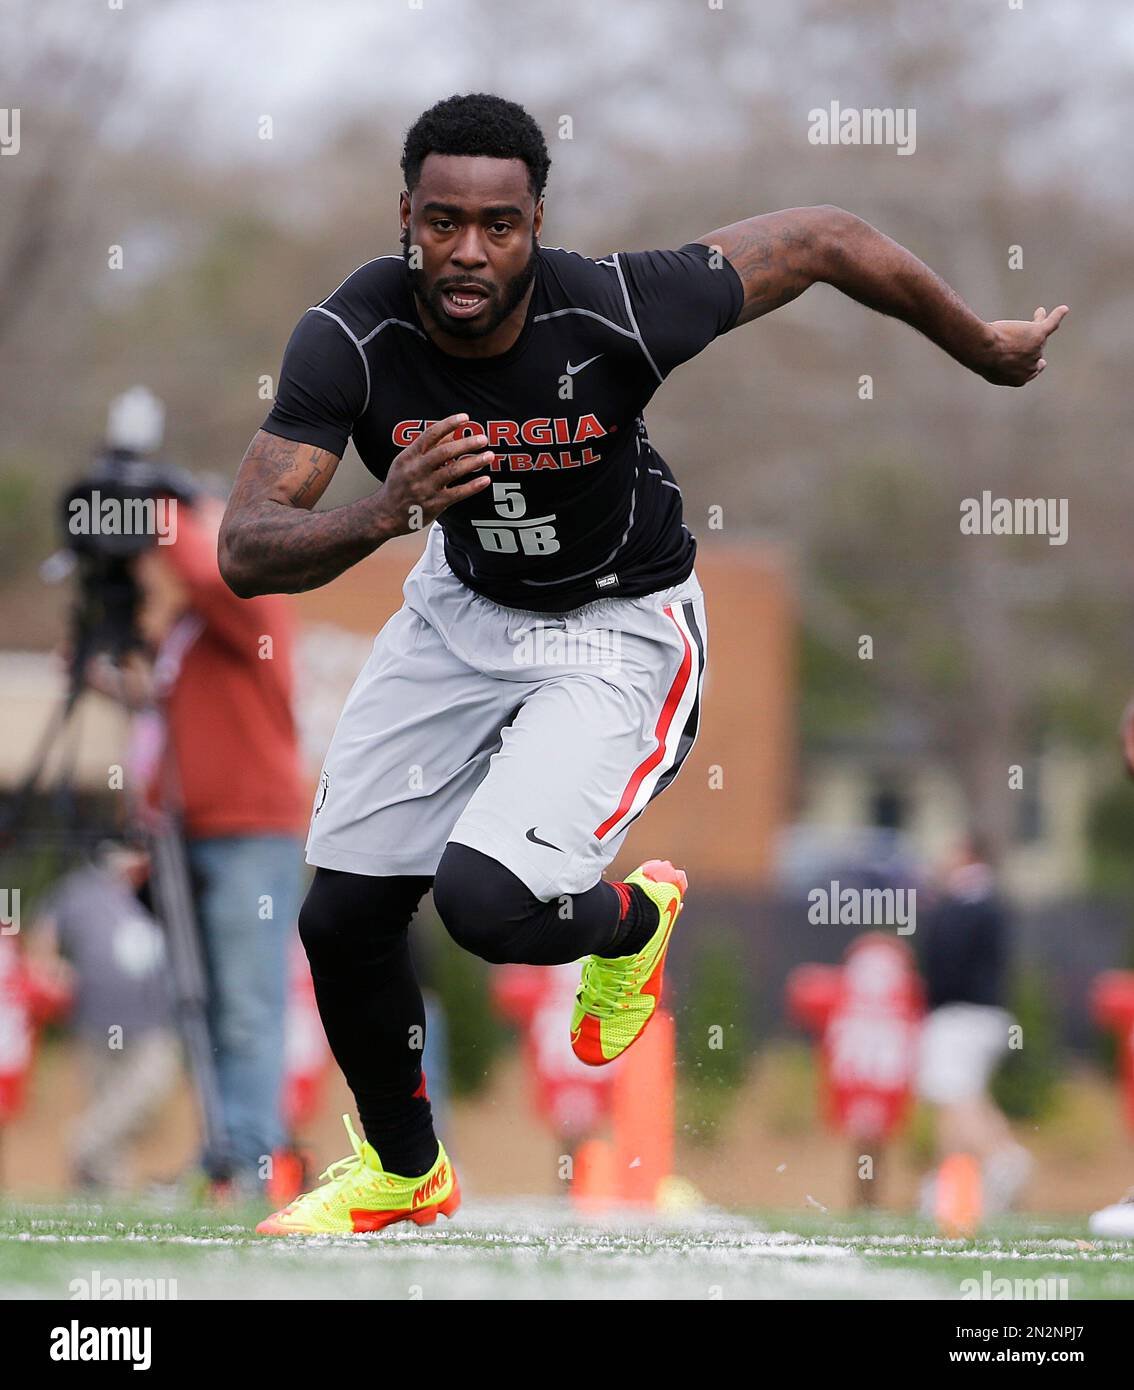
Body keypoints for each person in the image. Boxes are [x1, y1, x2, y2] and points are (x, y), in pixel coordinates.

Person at [217, 93, 1066, 1235]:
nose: (468, 250)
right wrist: (384, 514)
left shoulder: (619, 307)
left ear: (535, 224)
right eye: (442, 221)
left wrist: (984, 344)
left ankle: (629, 926)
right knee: (341, 919)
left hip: (614, 626)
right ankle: (406, 1170)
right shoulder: (351, 337)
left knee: (485, 903)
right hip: (458, 608)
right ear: (404, 217)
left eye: (498, 225)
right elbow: (244, 549)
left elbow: (821, 238)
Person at [133, 495, 307, 1191]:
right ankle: (224, 1149)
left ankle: (251, 1157)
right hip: (193, 833)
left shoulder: (249, 598)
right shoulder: (193, 627)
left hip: (248, 833)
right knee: (201, 1003)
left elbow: (211, 574)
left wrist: (158, 511)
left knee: (246, 1000)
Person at [29, 844, 180, 1190]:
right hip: (95, 1023)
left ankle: (85, 1140)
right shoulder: (80, 890)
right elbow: (45, 932)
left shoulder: (163, 884)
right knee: (106, 1103)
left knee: (144, 1094)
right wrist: (49, 969)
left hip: (154, 1024)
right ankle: (106, 1195)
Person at [916, 839, 1032, 1215]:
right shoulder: (978, 903)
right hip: (977, 1015)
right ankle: (947, 1184)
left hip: (962, 1015)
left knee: (957, 1097)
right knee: (964, 1102)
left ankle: (1004, 1160)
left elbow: (946, 961)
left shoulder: (968, 903)